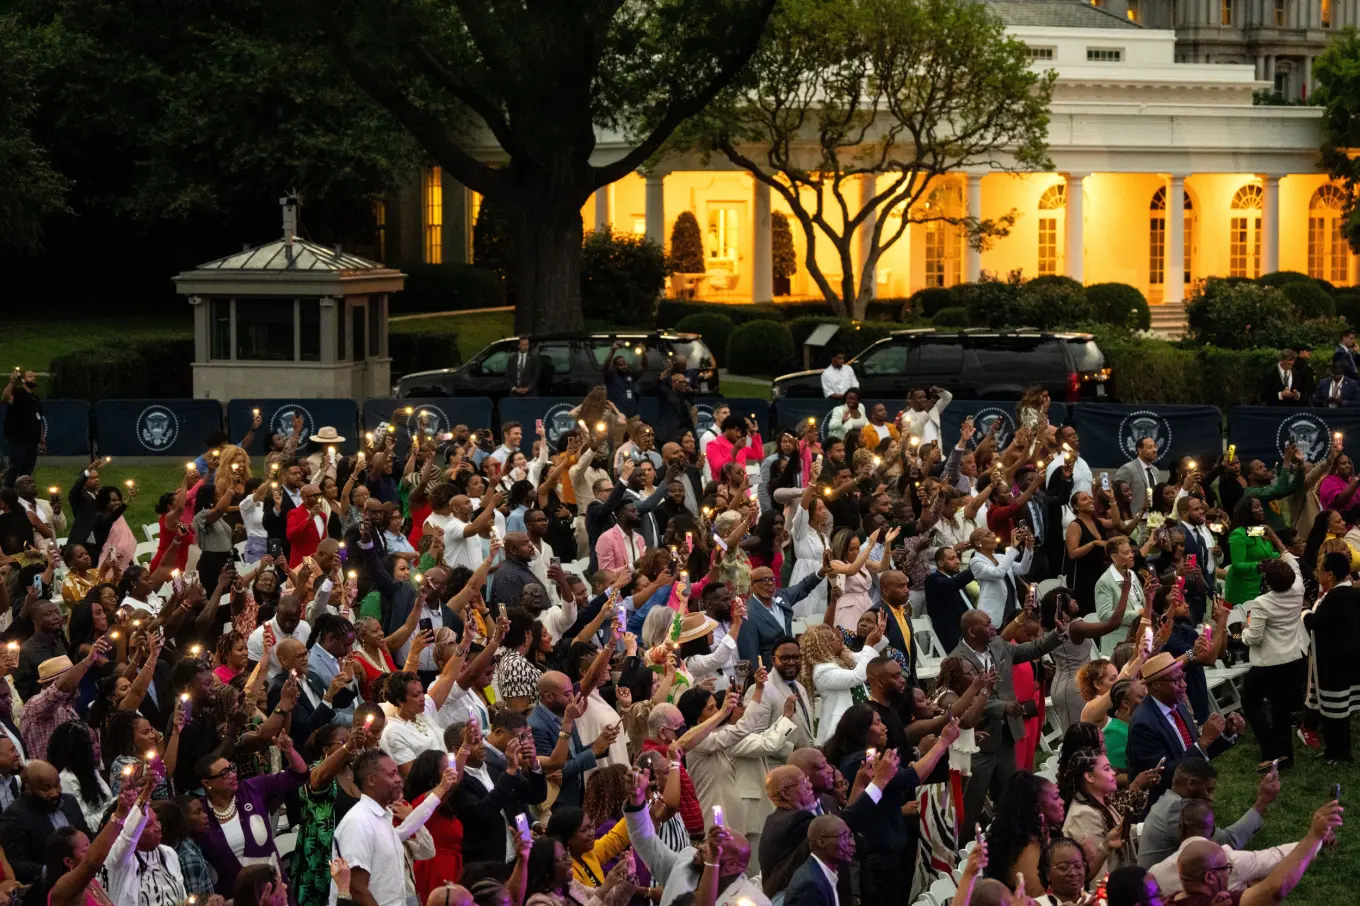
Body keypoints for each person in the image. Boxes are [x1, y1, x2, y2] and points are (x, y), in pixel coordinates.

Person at [951, 608, 1067, 836]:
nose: (993, 626)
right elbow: (968, 700)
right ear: (973, 631)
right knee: (972, 802)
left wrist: (1057, 634)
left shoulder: (998, 645)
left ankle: (1010, 840)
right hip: (979, 743)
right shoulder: (957, 660)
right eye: (987, 624)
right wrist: (1002, 707)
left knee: (1010, 796)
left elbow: (1031, 649)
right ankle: (963, 850)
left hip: (1005, 739)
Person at [623, 766, 771, 906]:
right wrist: (637, 800)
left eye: (714, 848)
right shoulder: (685, 863)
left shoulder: (750, 900)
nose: (701, 848)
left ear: (732, 866)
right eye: (707, 842)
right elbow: (646, 842)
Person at [331, 748, 458, 906]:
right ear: (371, 780)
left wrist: (442, 788)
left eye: (398, 773)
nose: (399, 779)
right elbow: (356, 887)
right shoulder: (358, 821)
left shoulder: (384, 817)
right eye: (391, 774)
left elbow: (415, 828)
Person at [194, 730, 309, 896]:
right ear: (207, 783)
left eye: (232, 768)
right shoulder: (202, 814)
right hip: (237, 897)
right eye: (224, 774)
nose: (233, 775)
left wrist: (289, 750)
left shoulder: (252, 789)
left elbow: (299, 775)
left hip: (275, 890)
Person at [1167, 801, 1340, 906]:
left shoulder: (1165, 896)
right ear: (1210, 878)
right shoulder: (1218, 901)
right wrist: (1315, 837)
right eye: (1226, 868)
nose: (1229, 870)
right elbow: (1275, 889)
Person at [1126, 653, 1241, 804]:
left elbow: (1196, 753)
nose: (1184, 685)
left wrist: (1224, 733)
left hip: (1191, 798)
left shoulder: (1176, 704)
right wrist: (1203, 742)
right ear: (1156, 685)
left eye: (1183, 677)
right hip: (1166, 807)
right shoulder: (1143, 724)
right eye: (1176, 680)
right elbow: (1164, 777)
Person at [1135, 755, 1278, 870]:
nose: (1211, 798)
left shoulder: (1168, 800)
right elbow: (1224, 843)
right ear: (1191, 784)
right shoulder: (1176, 809)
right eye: (1208, 790)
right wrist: (1262, 801)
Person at [1145, 798, 1296, 896]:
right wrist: (1315, 838)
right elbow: (1277, 856)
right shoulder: (1227, 859)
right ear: (1212, 829)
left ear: (1180, 827)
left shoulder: (1155, 873)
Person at [1240, 554, 1309, 768]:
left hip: (1269, 663)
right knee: (1282, 708)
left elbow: (1254, 638)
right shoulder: (1298, 590)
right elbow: (1296, 567)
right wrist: (1281, 547)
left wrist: (1243, 631)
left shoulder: (1262, 603)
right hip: (1294, 659)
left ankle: (1270, 750)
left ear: (1268, 583)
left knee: (1250, 701)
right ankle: (1285, 755)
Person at [1303, 550, 1360, 763]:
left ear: (1330, 574)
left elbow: (1319, 623)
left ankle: (1337, 753)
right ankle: (1340, 751)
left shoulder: (1338, 596)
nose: (1318, 574)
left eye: (1320, 570)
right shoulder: (1348, 592)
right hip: (1346, 656)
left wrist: (1305, 614)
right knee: (1341, 711)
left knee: (1334, 712)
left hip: (1335, 660)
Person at [0, 760, 93, 885]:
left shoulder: (70, 801)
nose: (55, 793)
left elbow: (86, 833)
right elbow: (17, 864)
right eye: (46, 788)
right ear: (29, 788)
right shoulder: (14, 817)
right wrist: (53, 872)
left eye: (57, 785)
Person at [800, 620, 889, 745]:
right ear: (822, 647)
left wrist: (878, 633)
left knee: (869, 755)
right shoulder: (822, 671)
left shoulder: (843, 657)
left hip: (861, 719)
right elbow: (857, 676)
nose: (838, 639)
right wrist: (868, 643)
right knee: (854, 758)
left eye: (836, 636)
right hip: (841, 728)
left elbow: (866, 657)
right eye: (832, 639)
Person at [983, 771, 1066, 894]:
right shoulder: (1027, 852)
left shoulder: (1043, 835)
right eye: (1055, 797)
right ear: (1037, 808)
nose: (1062, 802)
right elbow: (1039, 899)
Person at [783, 815, 853, 906]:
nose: (852, 843)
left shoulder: (824, 873)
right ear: (821, 842)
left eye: (850, 836)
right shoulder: (808, 886)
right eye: (844, 837)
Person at [2, 369, 43, 488]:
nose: (33, 378)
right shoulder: (17, 392)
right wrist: (12, 382)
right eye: (30, 376)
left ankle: (22, 496)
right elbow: (5, 398)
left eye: (34, 377)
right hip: (18, 440)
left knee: (27, 472)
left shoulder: (35, 398)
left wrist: (42, 439)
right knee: (14, 469)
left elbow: (39, 419)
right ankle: (6, 496)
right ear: (24, 380)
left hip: (32, 442)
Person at [1115, 437, 1162, 516]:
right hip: (1135, 518)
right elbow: (1118, 496)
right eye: (1150, 447)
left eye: (1155, 446)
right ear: (1140, 450)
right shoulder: (1128, 469)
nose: (1154, 450)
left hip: (1156, 518)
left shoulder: (1156, 470)